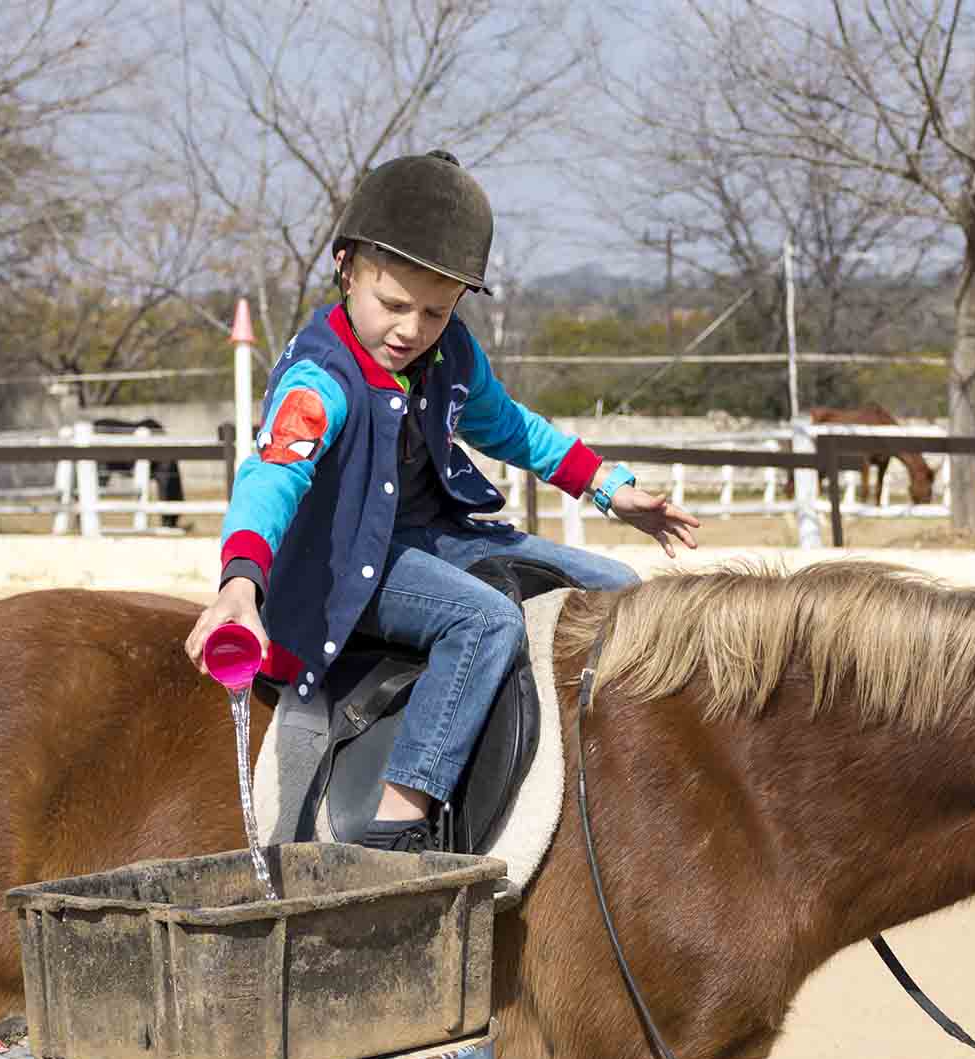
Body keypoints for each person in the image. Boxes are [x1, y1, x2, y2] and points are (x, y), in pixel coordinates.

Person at [184, 150, 700, 852]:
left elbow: (510, 426)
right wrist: (241, 582)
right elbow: (272, 475)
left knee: (620, 588)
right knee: (485, 621)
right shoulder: (321, 378)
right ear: (346, 269)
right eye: (393, 304)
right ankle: (398, 816)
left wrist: (610, 488)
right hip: (345, 564)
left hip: (436, 536)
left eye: (434, 310)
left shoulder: (450, 353)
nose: (411, 329)